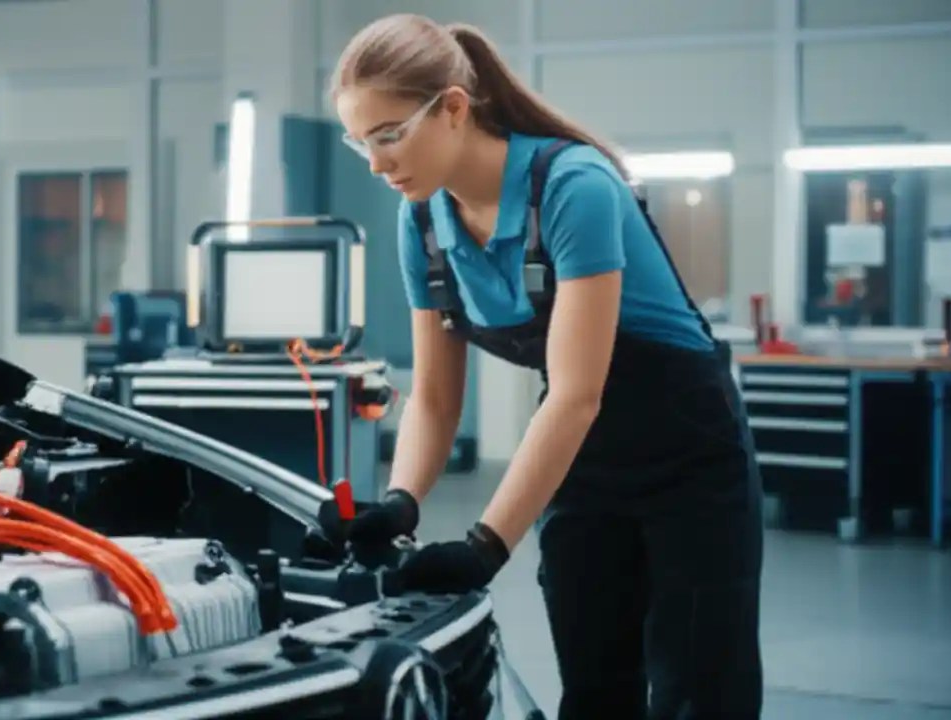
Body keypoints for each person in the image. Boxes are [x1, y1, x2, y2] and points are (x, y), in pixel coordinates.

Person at [327, 13, 764, 720]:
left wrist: (483, 548)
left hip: (689, 454)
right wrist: (401, 499)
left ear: (454, 110)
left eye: (389, 134)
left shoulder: (572, 186)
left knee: (699, 692)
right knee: (593, 686)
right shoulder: (421, 224)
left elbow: (576, 393)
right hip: (581, 463)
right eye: (359, 143)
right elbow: (436, 400)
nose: (376, 163)